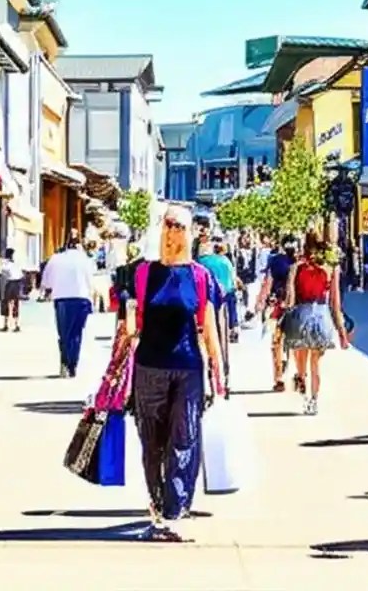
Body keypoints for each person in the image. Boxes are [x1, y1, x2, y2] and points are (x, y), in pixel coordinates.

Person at [116, 205, 223, 541]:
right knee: (152, 442)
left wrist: (219, 371)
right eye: (168, 224)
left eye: (179, 225)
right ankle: (157, 504)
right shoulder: (144, 274)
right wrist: (124, 336)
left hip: (189, 368)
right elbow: (129, 325)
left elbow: (209, 327)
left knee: (185, 438)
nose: (172, 231)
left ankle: (173, 512)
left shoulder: (201, 277)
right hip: (149, 366)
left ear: (191, 232)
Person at [281, 231, 349, 415]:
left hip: (301, 314)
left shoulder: (297, 267)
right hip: (321, 315)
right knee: (316, 362)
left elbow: (290, 298)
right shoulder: (331, 269)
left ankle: (301, 378)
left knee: (300, 354)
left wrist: (285, 313)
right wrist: (342, 332)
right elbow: (335, 302)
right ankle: (313, 400)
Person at [41, 233, 96, 377]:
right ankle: (73, 365)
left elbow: (46, 281)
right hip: (81, 299)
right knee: (76, 333)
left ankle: (64, 362)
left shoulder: (56, 259)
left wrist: (50, 289)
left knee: (64, 333)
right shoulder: (86, 260)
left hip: (62, 299)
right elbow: (91, 281)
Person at [256, 235, 297, 392]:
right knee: (292, 341)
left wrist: (261, 301)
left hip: (278, 305)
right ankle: (290, 371)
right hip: (294, 305)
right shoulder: (298, 262)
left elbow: (268, 283)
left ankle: (279, 376)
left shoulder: (275, 261)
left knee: (276, 342)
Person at [197, 238, 237, 389]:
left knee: (204, 343)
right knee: (222, 342)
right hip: (223, 302)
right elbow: (232, 283)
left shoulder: (200, 264)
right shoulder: (226, 262)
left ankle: (208, 377)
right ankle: (224, 377)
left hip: (204, 305)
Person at [0, 248, 24, 332]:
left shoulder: (5, 263)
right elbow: (21, 274)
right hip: (17, 283)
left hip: (9, 283)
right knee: (16, 303)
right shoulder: (16, 263)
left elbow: (1, 272)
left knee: (5, 303)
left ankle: (6, 325)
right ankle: (16, 324)